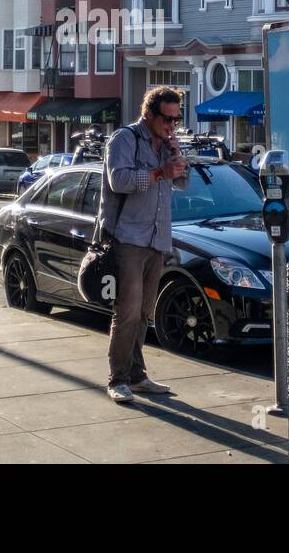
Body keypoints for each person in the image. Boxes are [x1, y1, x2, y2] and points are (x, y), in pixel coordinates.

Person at [96, 87, 190, 403]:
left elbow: (182, 182)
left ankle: (137, 375)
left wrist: (176, 156)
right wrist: (158, 172)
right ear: (148, 113)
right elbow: (117, 180)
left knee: (144, 312)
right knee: (127, 310)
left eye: (177, 120)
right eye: (167, 119)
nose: (172, 126)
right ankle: (118, 378)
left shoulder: (165, 143)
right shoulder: (125, 139)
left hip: (157, 238)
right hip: (128, 237)